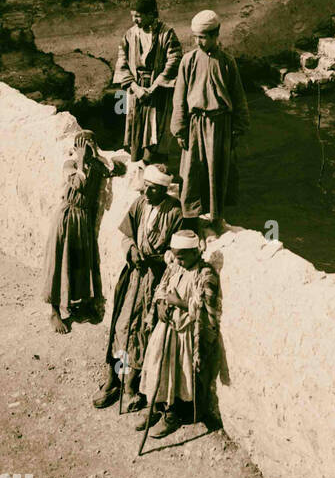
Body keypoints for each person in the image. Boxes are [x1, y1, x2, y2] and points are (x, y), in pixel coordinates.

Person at [93, 165, 182, 412]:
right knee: (122, 327)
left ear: (163, 189)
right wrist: (131, 249)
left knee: (142, 332)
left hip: (155, 279)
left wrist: (161, 258)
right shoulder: (140, 204)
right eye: (145, 187)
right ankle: (114, 379)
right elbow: (127, 236)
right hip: (134, 275)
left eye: (152, 189)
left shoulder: (175, 212)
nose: (146, 192)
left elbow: (177, 253)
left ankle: (132, 386)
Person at [135, 229, 220, 439]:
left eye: (182, 257)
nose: (178, 261)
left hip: (184, 335)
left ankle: (172, 415)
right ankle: (154, 407)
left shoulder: (205, 274)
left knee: (174, 374)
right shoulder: (174, 267)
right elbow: (162, 288)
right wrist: (162, 303)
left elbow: (207, 310)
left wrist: (179, 303)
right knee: (156, 366)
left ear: (194, 253)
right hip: (165, 329)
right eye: (175, 256)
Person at [171, 10, 248, 223]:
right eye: (196, 37)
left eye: (203, 37)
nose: (198, 42)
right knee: (192, 171)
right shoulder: (188, 61)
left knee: (217, 172)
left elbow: (238, 96)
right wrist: (180, 129)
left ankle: (216, 218)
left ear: (216, 35)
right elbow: (179, 97)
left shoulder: (227, 62)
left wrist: (238, 128)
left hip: (220, 124)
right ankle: (191, 218)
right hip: (195, 124)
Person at [42, 131, 122, 334]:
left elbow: (114, 169)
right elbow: (79, 184)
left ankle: (77, 303)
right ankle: (54, 310)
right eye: (83, 146)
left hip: (84, 219)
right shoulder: (69, 166)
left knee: (79, 262)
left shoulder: (96, 166)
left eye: (89, 145)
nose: (86, 150)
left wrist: (98, 156)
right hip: (68, 217)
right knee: (61, 261)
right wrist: (79, 159)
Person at [113, 0, 182, 164]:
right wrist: (136, 88)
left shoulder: (167, 34)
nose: (135, 20)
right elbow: (121, 63)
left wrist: (153, 88)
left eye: (138, 16)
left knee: (156, 136)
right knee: (134, 133)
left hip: (159, 93)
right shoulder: (129, 35)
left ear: (151, 14)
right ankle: (137, 171)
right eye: (133, 16)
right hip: (135, 92)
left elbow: (174, 60)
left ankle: (158, 177)